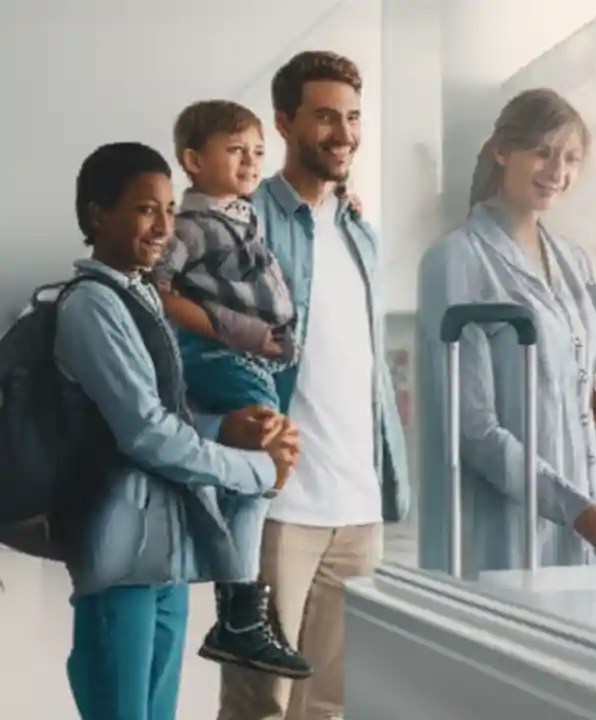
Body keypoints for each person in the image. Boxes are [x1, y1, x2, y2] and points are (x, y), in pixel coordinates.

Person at [56, 141, 299, 720]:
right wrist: (255, 470)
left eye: (169, 209)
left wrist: (229, 430)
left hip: (163, 555)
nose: (165, 225)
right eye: (145, 209)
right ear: (97, 215)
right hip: (119, 554)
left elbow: (172, 416)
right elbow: (145, 433)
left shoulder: (139, 298)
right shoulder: (91, 307)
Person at [216, 51, 410, 720]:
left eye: (353, 117)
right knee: (258, 703)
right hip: (278, 510)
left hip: (358, 508)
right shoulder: (243, 224)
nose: (344, 133)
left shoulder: (363, 234)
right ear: (284, 121)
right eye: (325, 116)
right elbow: (201, 350)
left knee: (329, 706)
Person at [418, 87, 596, 577]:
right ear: (502, 151)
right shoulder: (458, 259)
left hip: (580, 531)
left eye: (571, 158)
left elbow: (576, 412)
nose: (557, 171)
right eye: (542, 152)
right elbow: (474, 428)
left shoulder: (572, 262)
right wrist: (575, 508)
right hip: (504, 535)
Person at [155, 99, 310, 679]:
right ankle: (240, 612)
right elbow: (156, 288)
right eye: (235, 150)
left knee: (257, 466)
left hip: (255, 362)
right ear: (194, 161)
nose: (250, 161)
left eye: (257, 151)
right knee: (265, 461)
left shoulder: (242, 215)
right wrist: (237, 329)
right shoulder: (189, 225)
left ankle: (238, 612)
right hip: (219, 355)